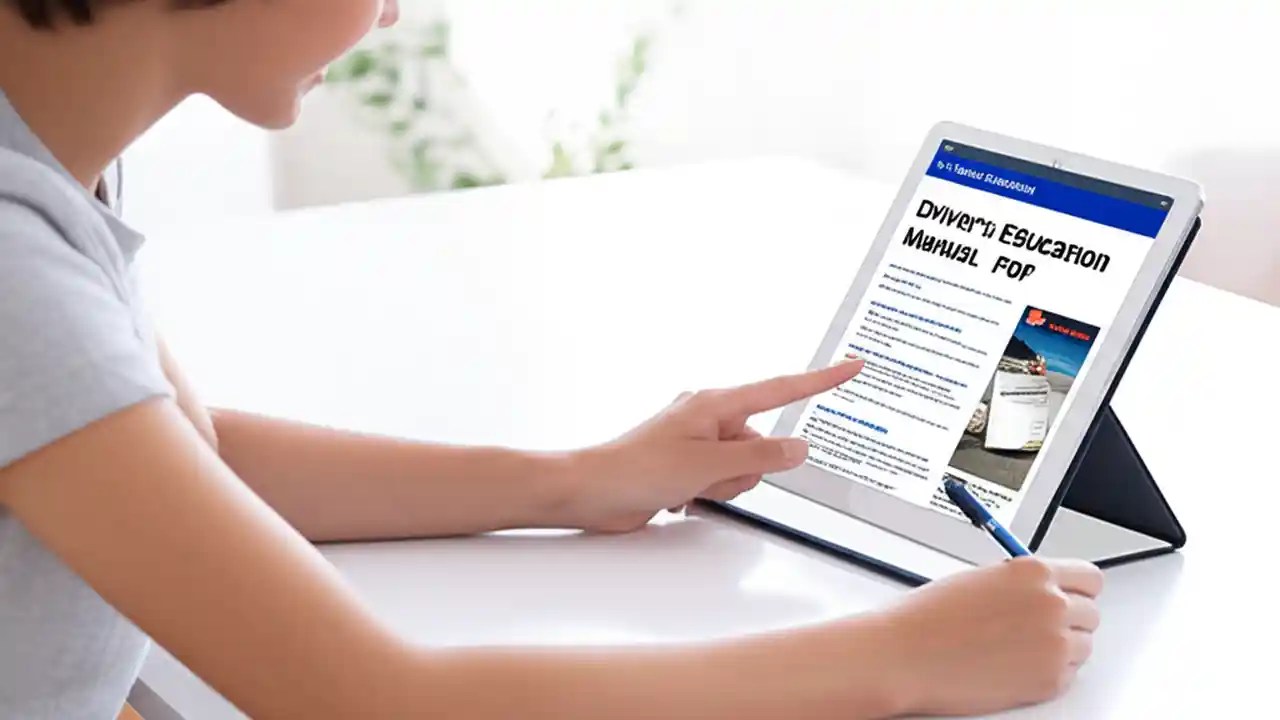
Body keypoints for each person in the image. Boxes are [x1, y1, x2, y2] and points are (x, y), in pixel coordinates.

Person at [0, 2, 1103, 718]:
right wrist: (899, 661)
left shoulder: (51, 165)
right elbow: (370, 702)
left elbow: (185, 462)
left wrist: (573, 480)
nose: (391, 12)